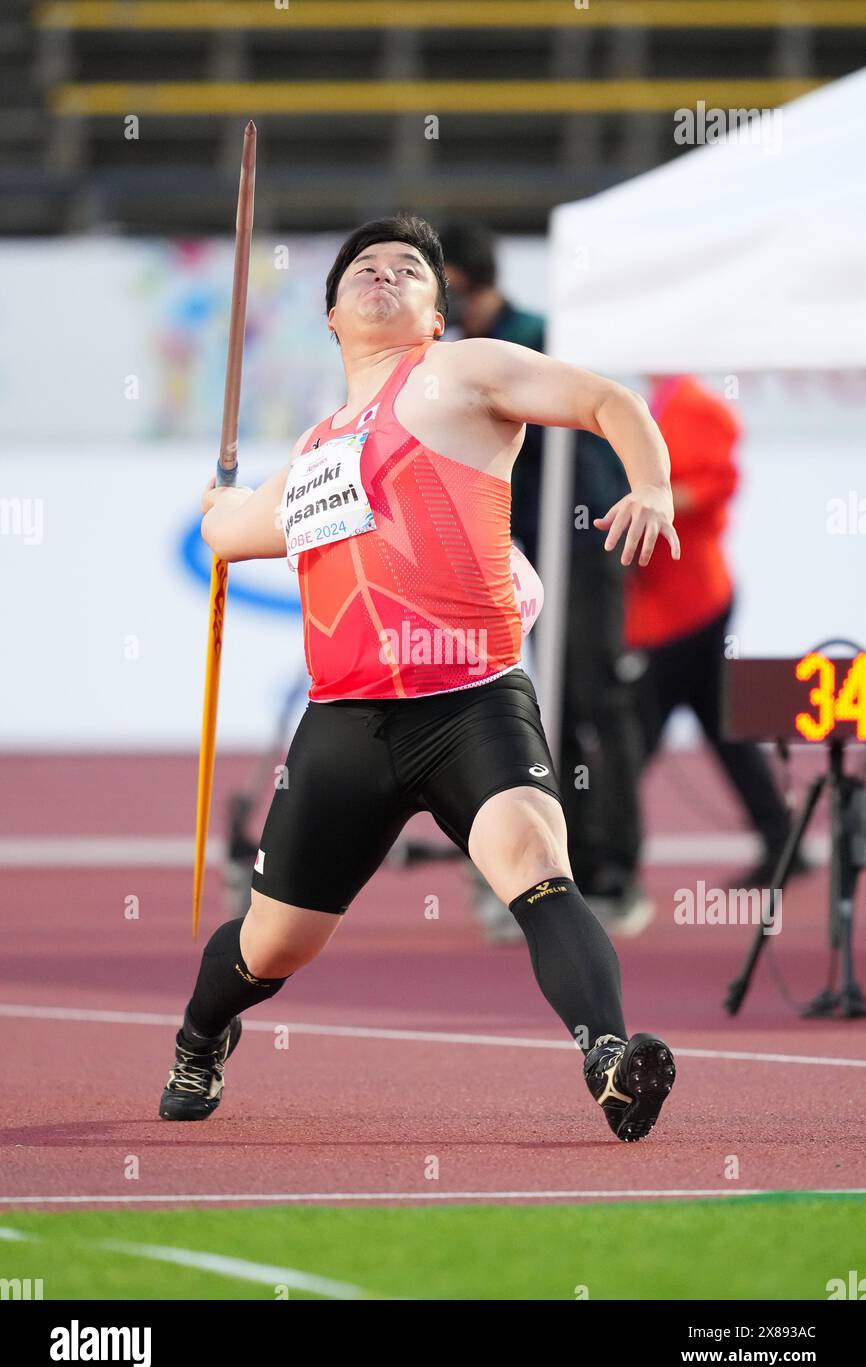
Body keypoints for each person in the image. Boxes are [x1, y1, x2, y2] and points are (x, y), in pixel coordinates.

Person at [158, 215, 679, 1143]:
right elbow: (236, 535)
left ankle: (608, 1058)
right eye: (365, 266)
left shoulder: (464, 373)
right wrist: (217, 507)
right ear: (330, 317)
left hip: (472, 703)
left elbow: (608, 402)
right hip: (348, 728)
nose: (386, 274)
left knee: (536, 861)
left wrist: (651, 486)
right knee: (275, 944)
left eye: (410, 269)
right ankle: (202, 1034)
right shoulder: (316, 454)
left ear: (439, 316)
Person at [440, 221, 650, 936]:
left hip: (583, 543)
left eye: (453, 293)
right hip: (531, 553)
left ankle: (615, 870)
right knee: (549, 706)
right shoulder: (462, 354)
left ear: (476, 282)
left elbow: (591, 416)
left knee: (598, 702)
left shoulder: (532, 339)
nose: (447, 310)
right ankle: (565, 868)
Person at [627, 374, 805, 887]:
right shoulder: (654, 404)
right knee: (719, 725)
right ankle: (780, 836)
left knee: (639, 731)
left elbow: (718, 482)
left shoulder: (694, 407)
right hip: (670, 599)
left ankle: (592, 846)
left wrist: (655, 500)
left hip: (690, 600)